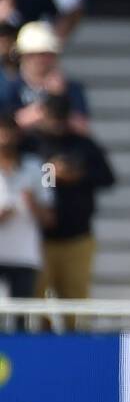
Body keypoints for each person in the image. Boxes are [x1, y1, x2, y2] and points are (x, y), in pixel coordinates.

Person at [27, 93, 113, 302]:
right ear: (43, 114)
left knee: (76, 301)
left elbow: (107, 178)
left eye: (61, 117)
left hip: (77, 234)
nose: (56, 123)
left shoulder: (83, 144)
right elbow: (19, 177)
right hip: (38, 237)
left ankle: (75, 335)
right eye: (52, 116)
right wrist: (50, 172)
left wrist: (77, 175)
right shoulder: (30, 143)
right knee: (36, 303)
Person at [0, 114, 53, 299]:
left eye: (7, 131)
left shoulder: (39, 167)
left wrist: (32, 205)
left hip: (25, 256)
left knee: (21, 320)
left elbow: (50, 218)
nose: (4, 137)